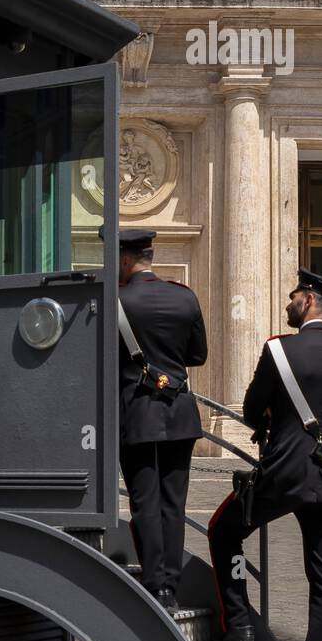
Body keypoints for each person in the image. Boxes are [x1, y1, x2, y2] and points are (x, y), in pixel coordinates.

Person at [206, 269, 322, 641]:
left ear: (310, 300)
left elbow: (255, 409)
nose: (288, 303)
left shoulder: (279, 350)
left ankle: (238, 626)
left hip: (286, 473)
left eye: (294, 296)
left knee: (223, 530)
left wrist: (273, 420)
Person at [107, 227, 208, 612]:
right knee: (173, 503)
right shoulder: (184, 298)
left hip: (137, 412)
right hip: (180, 413)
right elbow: (197, 356)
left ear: (126, 260)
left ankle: (156, 585)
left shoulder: (116, 300)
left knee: (144, 501)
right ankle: (172, 581)